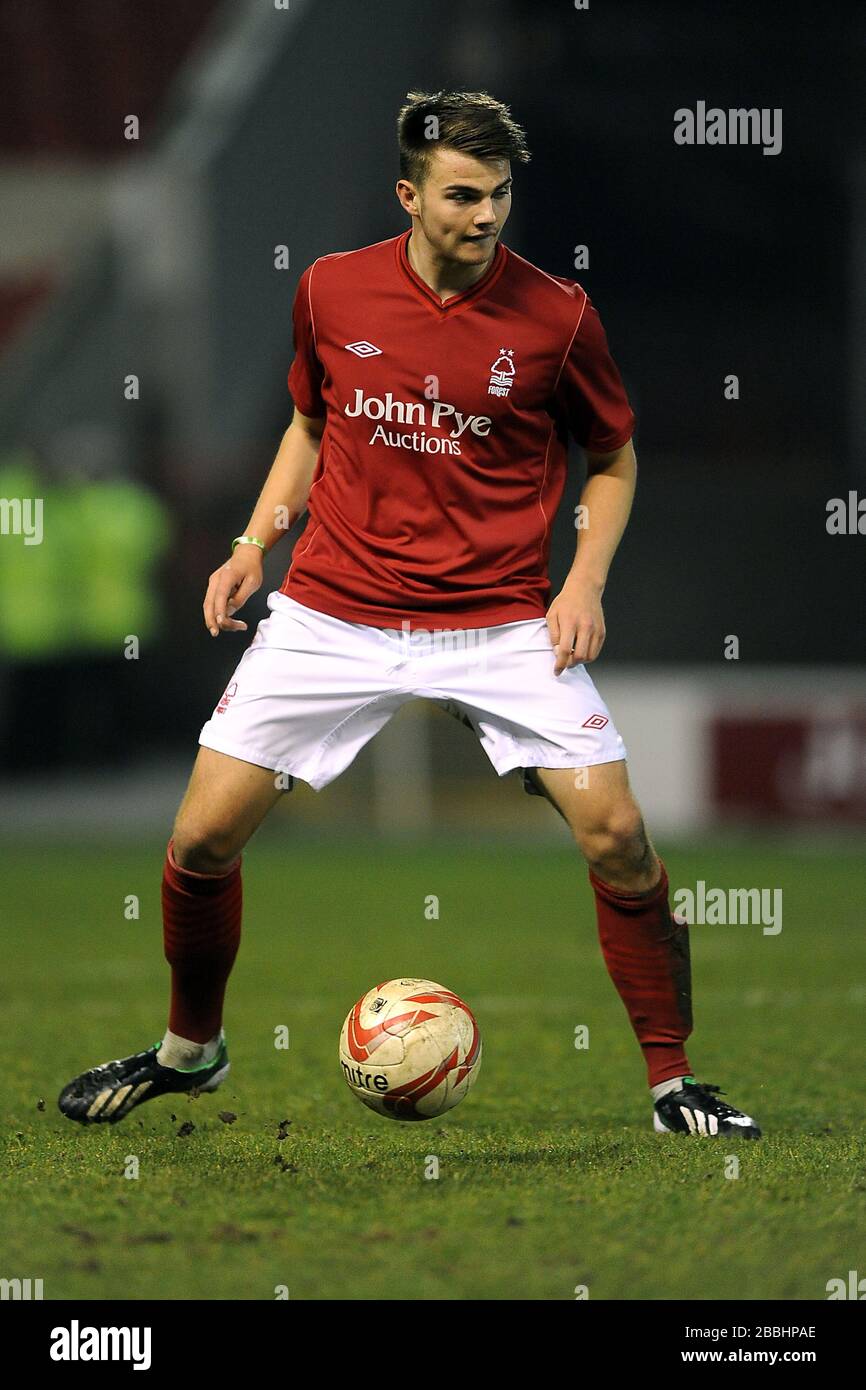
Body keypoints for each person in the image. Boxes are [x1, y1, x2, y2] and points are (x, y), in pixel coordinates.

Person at [59, 90, 760, 1139]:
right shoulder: (332, 291)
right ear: (409, 193)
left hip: (499, 623)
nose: (484, 216)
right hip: (334, 613)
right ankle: (190, 1053)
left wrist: (582, 581)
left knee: (616, 833)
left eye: (500, 195)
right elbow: (309, 422)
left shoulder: (557, 316)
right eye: (462, 195)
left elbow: (610, 458)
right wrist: (254, 544)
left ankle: (672, 1084)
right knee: (201, 838)